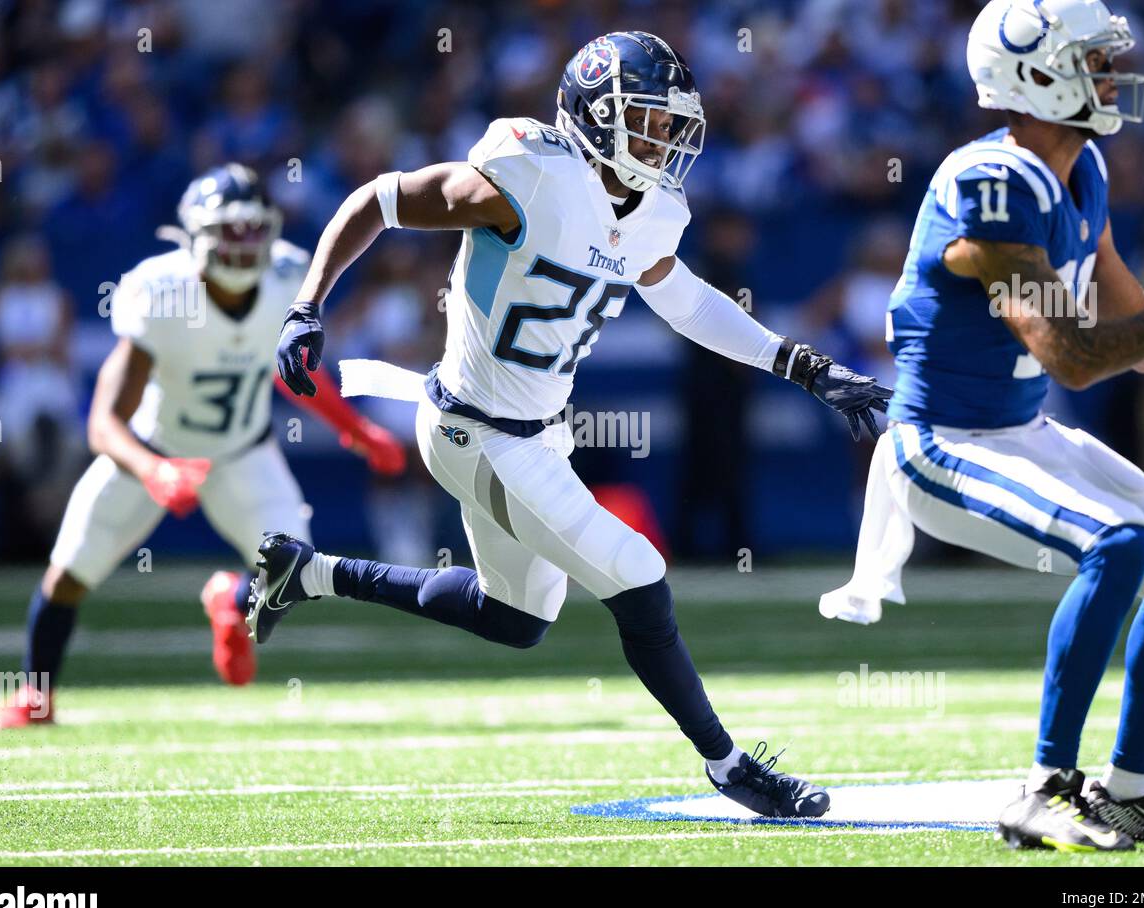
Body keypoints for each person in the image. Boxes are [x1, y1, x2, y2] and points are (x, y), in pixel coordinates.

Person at [249, 32, 890, 818]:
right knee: (641, 576)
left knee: (513, 619)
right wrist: (306, 306)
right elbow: (378, 201)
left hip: (537, 434)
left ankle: (307, 572)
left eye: (670, 124)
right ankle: (729, 768)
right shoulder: (527, 175)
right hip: (471, 430)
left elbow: (684, 298)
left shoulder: (655, 209)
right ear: (597, 115)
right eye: (649, 120)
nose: (666, 139)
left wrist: (805, 367)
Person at [820, 0, 1144, 849]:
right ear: (1035, 76)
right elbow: (1078, 357)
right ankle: (1044, 786)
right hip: (941, 442)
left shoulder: (1080, 171)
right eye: (1091, 60)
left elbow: (1143, 342)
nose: (1111, 76)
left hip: (1018, 430)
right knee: (1119, 542)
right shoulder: (990, 187)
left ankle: (1130, 786)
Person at [0, 164, 404, 730]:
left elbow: (288, 367)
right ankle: (34, 699)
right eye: (228, 230)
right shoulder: (160, 291)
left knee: (295, 572)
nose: (243, 243)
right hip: (151, 448)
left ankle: (229, 601)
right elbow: (104, 425)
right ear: (194, 237)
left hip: (243, 451)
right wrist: (154, 470)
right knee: (68, 573)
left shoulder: (288, 274)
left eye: (253, 229)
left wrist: (353, 428)